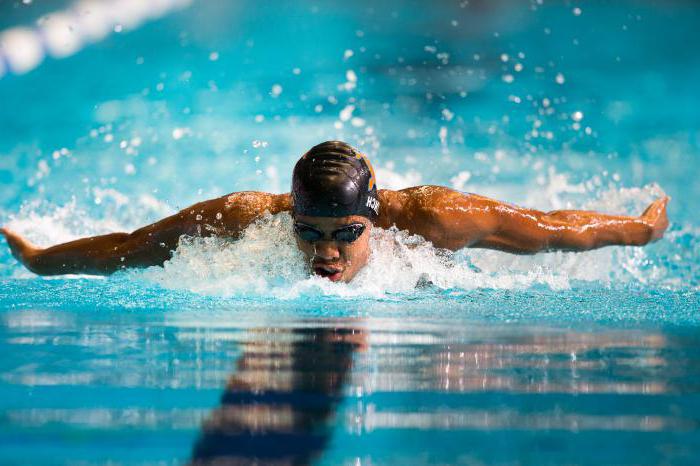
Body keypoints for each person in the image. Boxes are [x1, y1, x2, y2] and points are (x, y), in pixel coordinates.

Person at [1, 140, 669, 283]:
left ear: (373, 222)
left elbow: (548, 227)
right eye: (309, 234)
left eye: (346, 235)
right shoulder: (243, 217)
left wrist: (638, 229)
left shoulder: (434, 218)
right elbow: (130, 245)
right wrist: (37, 259)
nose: (325, 254)